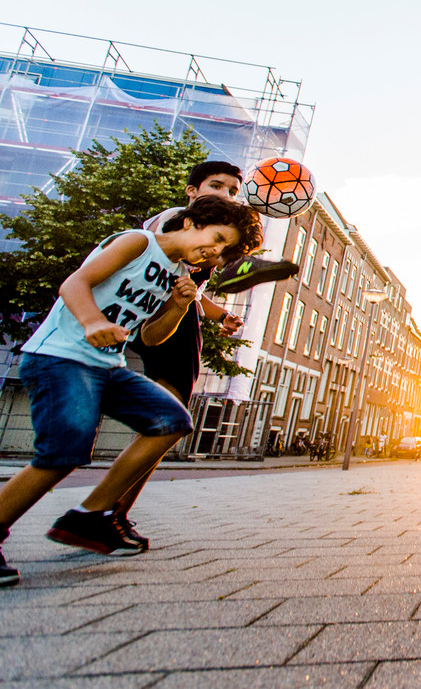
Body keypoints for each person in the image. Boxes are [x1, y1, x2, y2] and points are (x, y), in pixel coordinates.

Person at [0, 195, 263, 587]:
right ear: (192, 221)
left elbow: (150, 337)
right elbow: (75, 283)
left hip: (107, 367)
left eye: (224, 251)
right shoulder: (138, 243)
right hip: (61, 357)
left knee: (171, 419)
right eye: (218, 237)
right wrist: (92, 322)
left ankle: (90, 515)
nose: (215, 251)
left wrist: (176, 305)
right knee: (63, 452)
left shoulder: (177, 274)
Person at [109, 161, 295, 549]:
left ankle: (115, 511)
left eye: (232, 191)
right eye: (215, 186)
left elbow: (190, 290)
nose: (224, 194)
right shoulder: (178, 220)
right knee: (168, 419)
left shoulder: (203, 236)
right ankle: (110, 512)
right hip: (163, 318)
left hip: (171, 312)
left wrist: (218, 312)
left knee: (167, 418)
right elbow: (166, 270)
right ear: (191, 190)